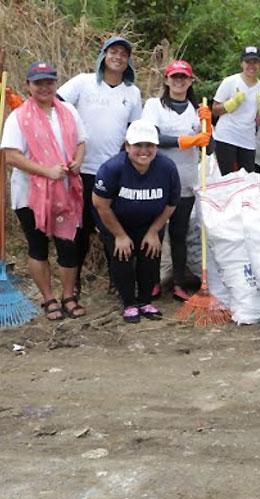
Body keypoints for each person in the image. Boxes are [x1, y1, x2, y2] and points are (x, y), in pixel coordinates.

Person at [57, 36, 143, 297]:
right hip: (80, 170)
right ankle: (75, 283)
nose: (118, 57)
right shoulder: (83, 82)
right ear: (104, 55)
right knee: (79, 229)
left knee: (111, 229)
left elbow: (134, 130)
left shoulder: (132, 92)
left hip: (113, 172)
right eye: (113, 51)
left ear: (128, 61)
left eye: (123, 54)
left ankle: (118, 282)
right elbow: (57, 103)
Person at [2, 61, 87, 320]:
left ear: (55, 83)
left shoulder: (68, 111)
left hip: (66, 191)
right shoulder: (18, 117)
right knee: (38, 247)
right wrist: (46, 171)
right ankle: (49, 299)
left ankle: (69, 296)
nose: (44, 87)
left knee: (68, 247)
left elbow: (82, 142)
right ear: (28, 85)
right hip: (30, 195)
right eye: (38, 82)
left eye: (49, 82)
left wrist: (77, 161)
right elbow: (11, 157)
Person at [91, 120, 180, 324]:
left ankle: (145, 301)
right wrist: (120, 236)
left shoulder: (167, 168)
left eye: (149, 145)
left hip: (150, 222)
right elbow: (100, 204)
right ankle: (129, 302)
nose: (144, 151)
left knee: (150, 256)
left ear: (156, 147)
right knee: (122, 256)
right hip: (115, 221)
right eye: (138, 145)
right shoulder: (112, 168)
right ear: (127, 146)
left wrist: (154, 231)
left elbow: (171, 203)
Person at [139, 60, 210, 300]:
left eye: (184, 78)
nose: (179, 81)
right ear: (167, 80)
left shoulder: (196, 110)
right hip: (157, 180)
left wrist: (207, 125)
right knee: (154, 233)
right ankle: (152, 281)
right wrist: (184, 141)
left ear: (190, 81)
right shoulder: (154, 106)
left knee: (179, 234)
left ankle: (179, 282)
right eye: (174, 77)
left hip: (187, 181)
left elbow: (208, 146)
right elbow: (151, 136)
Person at [211, 46, 260, 175]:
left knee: (247, 179)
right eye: (248, 62)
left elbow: (259, 122)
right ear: (241, 63)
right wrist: (231, 104)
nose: (251, 65)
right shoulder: (230, 82)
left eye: (255, 62)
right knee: (227, 178)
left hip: (247, 140)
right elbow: (215, 110)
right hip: (226, 136)